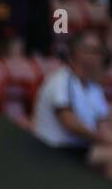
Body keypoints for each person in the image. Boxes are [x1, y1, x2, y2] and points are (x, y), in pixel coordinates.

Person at [31, 30, 112, 176]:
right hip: (54, 149)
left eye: (100, 52)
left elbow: (102, 121)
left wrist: (106, 135)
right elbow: (68, 122)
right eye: (95, 51)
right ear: (78, 53)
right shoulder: (61, 80)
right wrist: (100, 137)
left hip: (80, 148)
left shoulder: (93, 87)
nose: (100, 57)